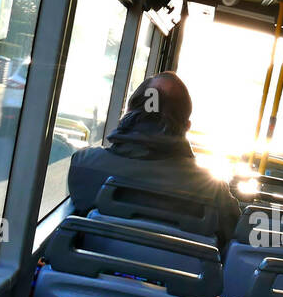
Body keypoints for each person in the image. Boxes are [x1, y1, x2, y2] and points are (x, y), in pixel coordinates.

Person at [67, 72, 242, 248]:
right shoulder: (212, 190)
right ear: (187, 127)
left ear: (129, 111)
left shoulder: (85, 165)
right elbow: (234, 235)